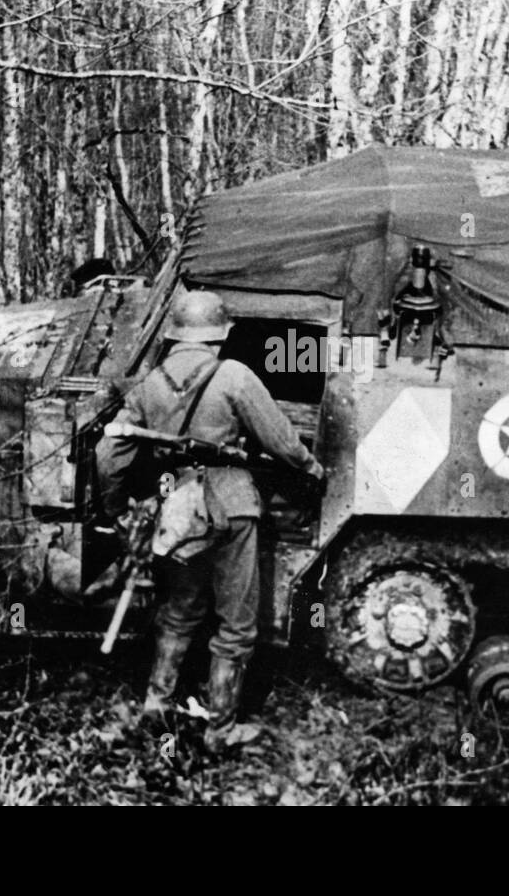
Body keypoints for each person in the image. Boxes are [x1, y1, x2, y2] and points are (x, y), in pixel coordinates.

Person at [95, 290, 324, 751]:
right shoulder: (234, 375)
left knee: (180, 610)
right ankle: (221, 729)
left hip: (180, 511)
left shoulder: (149, 384)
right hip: (233, 506)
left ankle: (156, 706)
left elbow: (108, 454)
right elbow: (280, 439)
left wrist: (118, 510)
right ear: (220, 335)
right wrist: (310, 467)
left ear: (176, 333)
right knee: (237, 621)